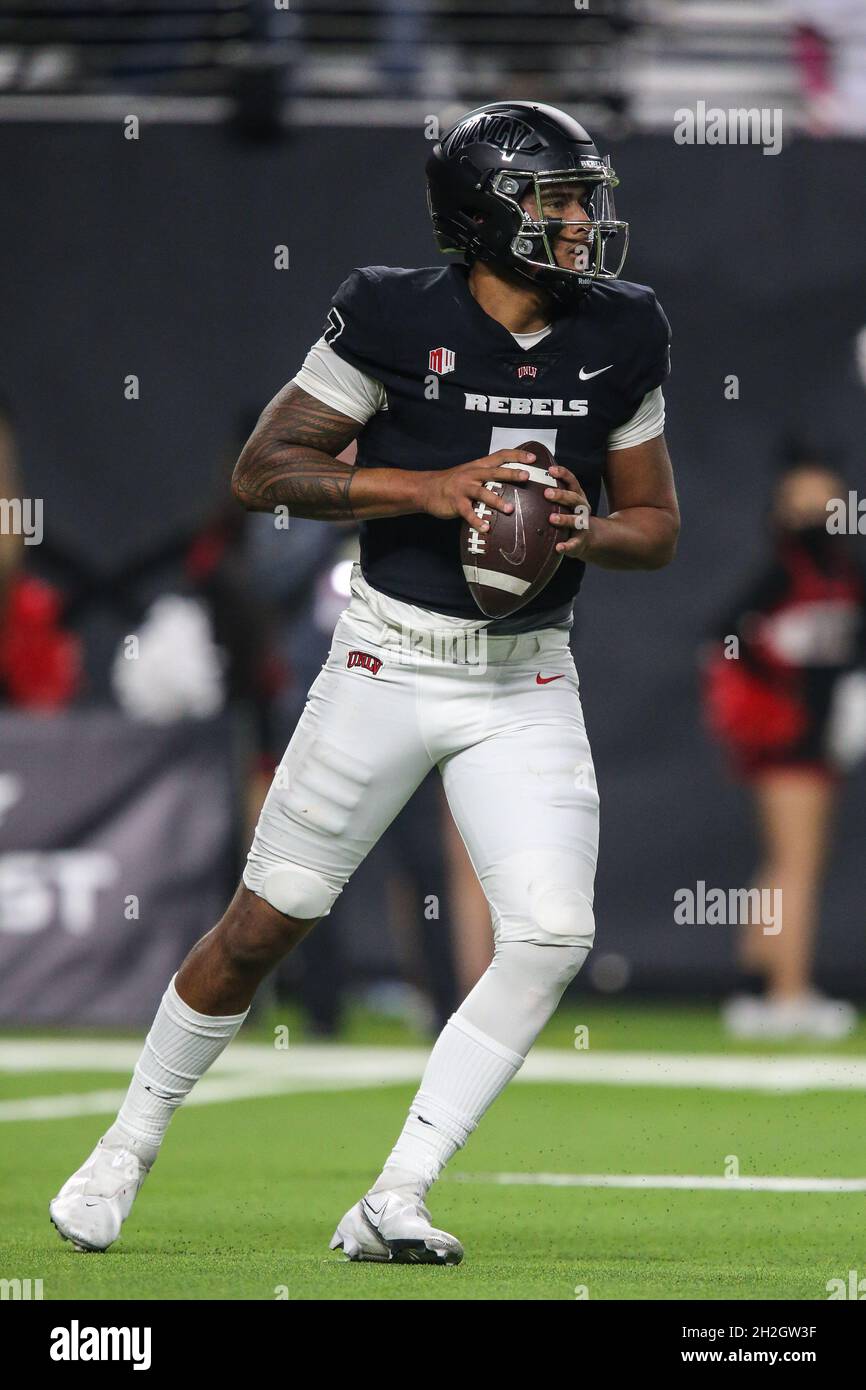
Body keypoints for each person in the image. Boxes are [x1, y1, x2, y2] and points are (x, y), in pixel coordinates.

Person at [50, 101, 679, 1265]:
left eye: (584, 196)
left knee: (548, 930)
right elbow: (262, 470)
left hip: (525, 677)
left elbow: (657, 526)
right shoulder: (393, 311)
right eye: (557, 199)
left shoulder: (623, 330)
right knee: (259, 927)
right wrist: (429, 490)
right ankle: (122, 1150)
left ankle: (395, 1191)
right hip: (389, 655)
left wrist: (579, 529)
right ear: (489, 213)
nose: (584, 221)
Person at [703, 447, 866, 1038]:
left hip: (817, 741)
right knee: (798, 863)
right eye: (802, 503)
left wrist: (850, 693)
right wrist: (772, 701)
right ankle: (789, 995)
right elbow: (724, 636)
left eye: (826, 502)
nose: (815, 514)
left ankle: (755, 985)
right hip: (787, 742)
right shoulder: (780, 572)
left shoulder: (841, 571)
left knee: (785, 863)